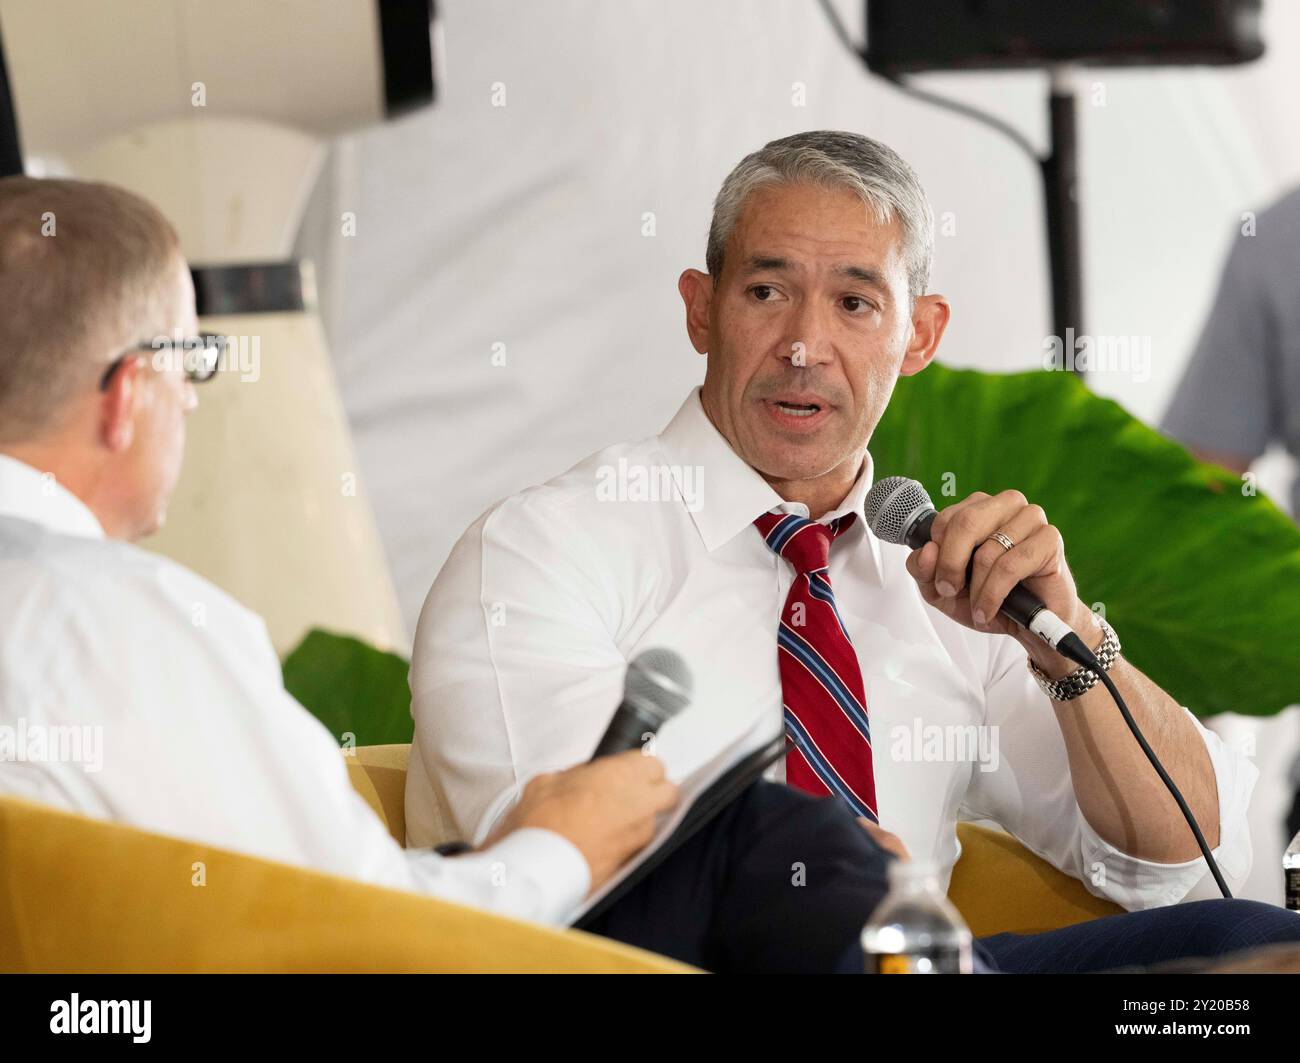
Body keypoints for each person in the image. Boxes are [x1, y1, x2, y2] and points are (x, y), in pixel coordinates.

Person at [408, 129, 1300, 972]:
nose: (804, 346)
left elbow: (1184, 857)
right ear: (700, 310)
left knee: (1248, 944)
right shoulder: (541, 550)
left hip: (928, 963)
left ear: (920, 336)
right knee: (812, 877)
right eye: (766, 291)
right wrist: (824, 870)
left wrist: (1060, 633)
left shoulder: (946, 576)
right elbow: (563, 875)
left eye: (855, 303)